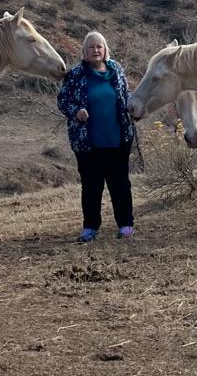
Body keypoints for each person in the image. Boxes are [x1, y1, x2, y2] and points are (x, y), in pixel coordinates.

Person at [57, 31, 138, 242]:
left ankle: (126, 224)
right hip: (87, 143)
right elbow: (63, 100)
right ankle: (90, 227)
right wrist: (76, 111)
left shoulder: (116, 70)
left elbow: (125, 95)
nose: (96, 50)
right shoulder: (76, 74)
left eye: (99, 46)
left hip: (118, 139)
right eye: (91, 47)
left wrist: (134, 107)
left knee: (120, 184)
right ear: (84, 51)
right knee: (91, 187)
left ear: (105, 49)